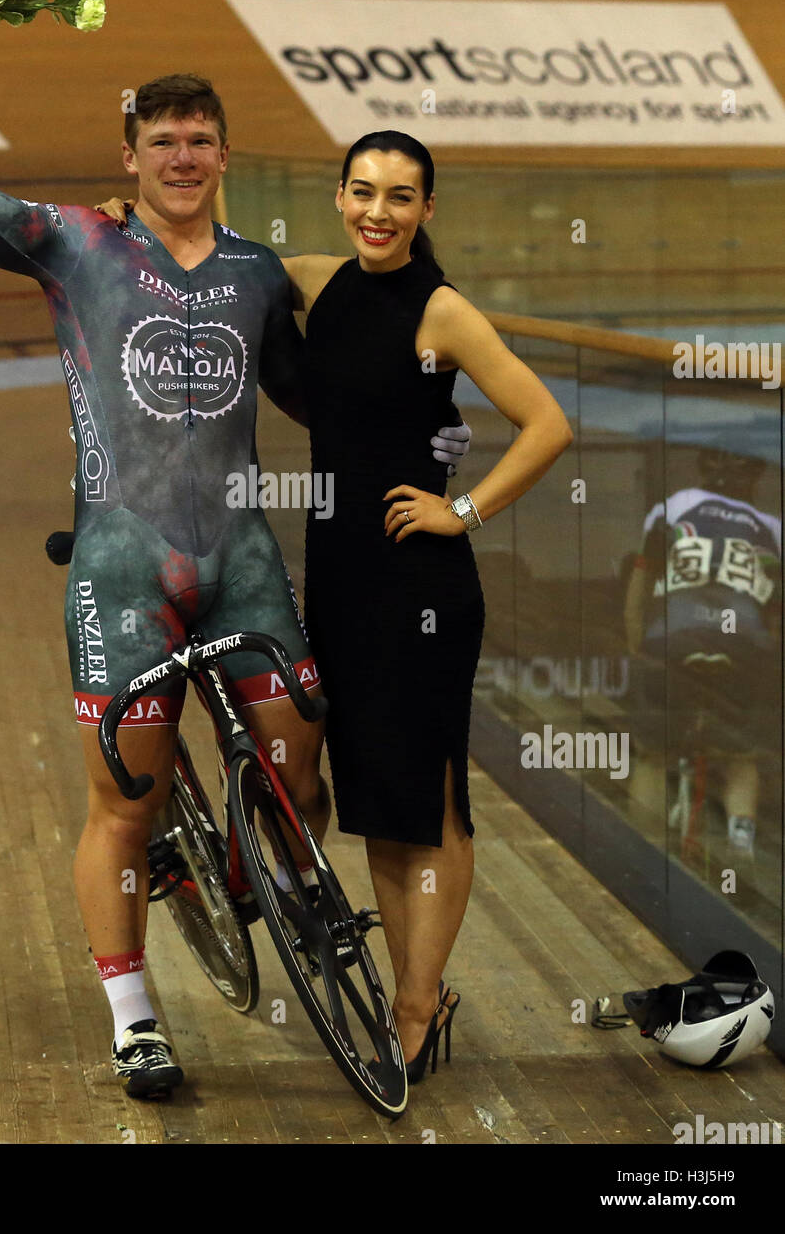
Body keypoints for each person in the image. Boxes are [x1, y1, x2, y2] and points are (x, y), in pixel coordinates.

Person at [0, 0, 470, 1101]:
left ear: (224, 155)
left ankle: (245, 865)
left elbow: (324, 399)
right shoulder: (76, 244)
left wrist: (433, 437)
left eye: (199, 140)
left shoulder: (260, 271)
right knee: (125, 797)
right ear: (129, 154)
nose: (182, 156)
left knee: (300, 768)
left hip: (241, 562)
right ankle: (136, 1018)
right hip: (125, 561)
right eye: (161, 140)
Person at [99, 129, 571, 1080]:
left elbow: (549, 421)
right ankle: (412, 993)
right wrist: (126, 214)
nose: (377, 213)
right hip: (344, 581)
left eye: (400, 198)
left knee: (428, 805)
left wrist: (463, 509)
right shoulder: (316, 279)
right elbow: (218, 248)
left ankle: (414, 1005)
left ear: (426, 211)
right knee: (379, 807)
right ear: (339, 196)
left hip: (419, 586)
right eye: (362, 192)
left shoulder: (442, 311)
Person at [624, 448, 781, 859]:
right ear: (755, 483)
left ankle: (644, 850)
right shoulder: (773, 529)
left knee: (652, 754)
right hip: (742, 650)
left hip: (673, 643)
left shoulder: (671, 509)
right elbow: (774, 618)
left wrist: (637, 647)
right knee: (740, 757)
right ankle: (741, 847)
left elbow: (640, 587)